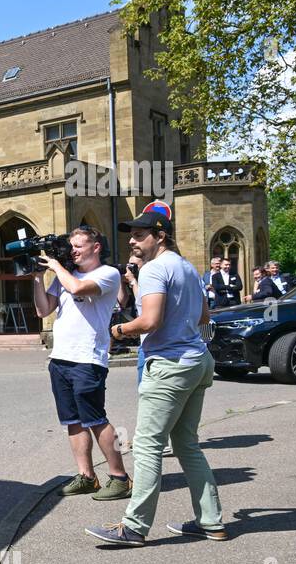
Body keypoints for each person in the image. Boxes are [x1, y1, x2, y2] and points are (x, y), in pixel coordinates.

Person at [89, 212, 225, 545]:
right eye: (131, 235)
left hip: (168, 366)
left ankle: (134, 527)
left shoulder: (154, 269)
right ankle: (212, 522)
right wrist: (192, 343)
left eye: (139, 235)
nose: (132, 241)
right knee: (188, 445)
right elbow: (205, 316)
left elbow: (149, 321)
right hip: (197, 362)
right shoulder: (187, 267)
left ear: (159, 236)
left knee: (148, 446)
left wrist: (117, 330)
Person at [31, 226, 130, 500]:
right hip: (60, 359)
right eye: (71, 246)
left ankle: (119, 477)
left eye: (78, 246)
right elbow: (43, 310)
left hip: (88, 359)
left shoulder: (107, 274)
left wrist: (54, 265)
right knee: (73, 421)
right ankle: (87, 476)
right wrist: (39, 278)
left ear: (95, 247)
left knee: (96, 419)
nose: (72, 250)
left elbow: (76, 288)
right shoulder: (66, 275)